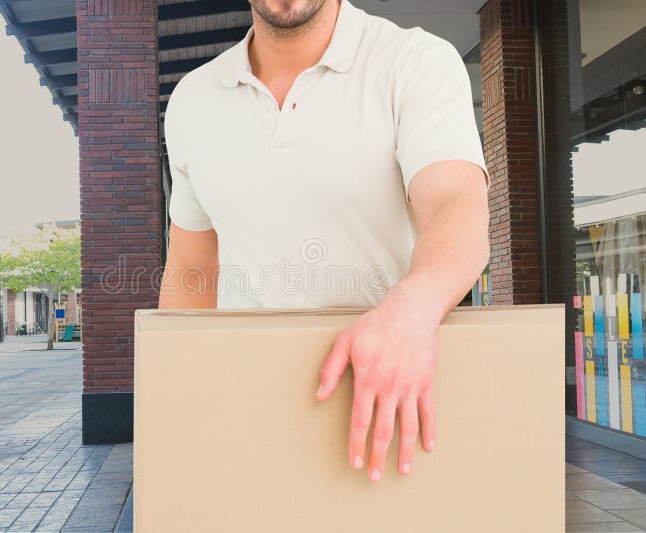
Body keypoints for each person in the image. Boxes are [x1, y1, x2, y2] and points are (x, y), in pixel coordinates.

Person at [159, 0, 490, 482]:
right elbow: (192, 273)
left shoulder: (413, 60)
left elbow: (456, 208)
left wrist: (412, 308)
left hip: (383, 407)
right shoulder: (192, 99)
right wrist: (171, 411)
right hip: (244, 412)